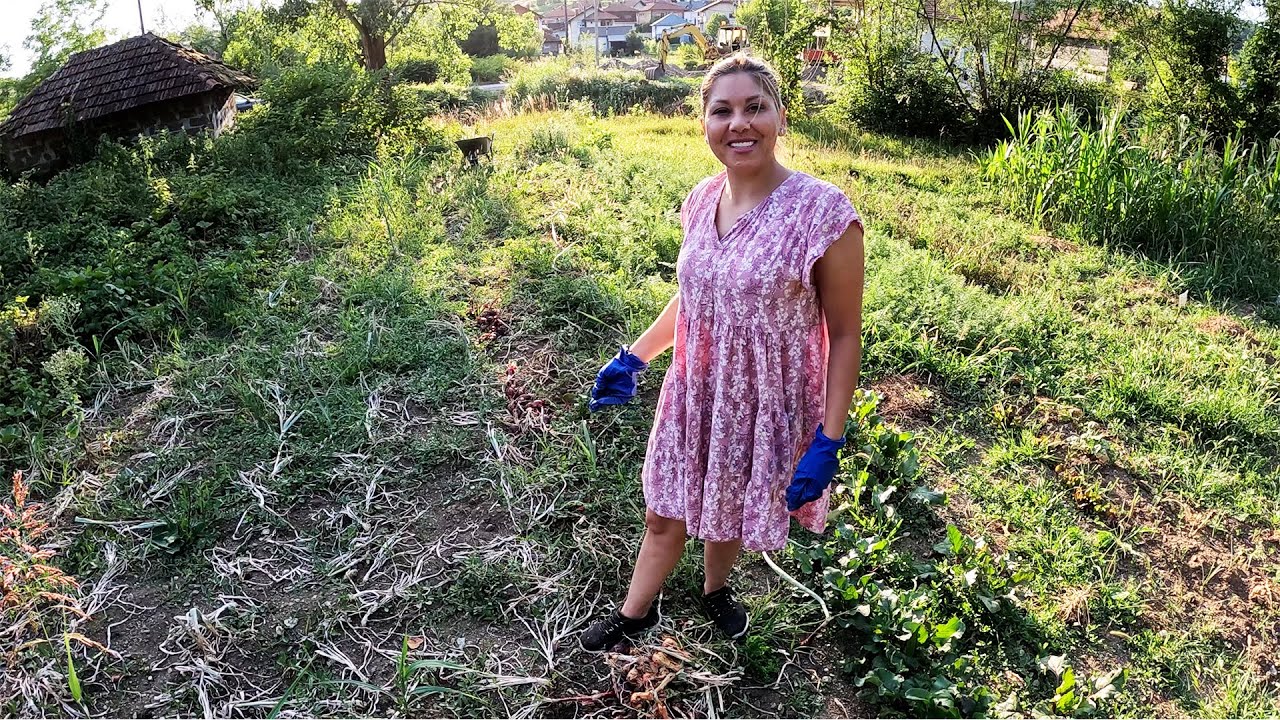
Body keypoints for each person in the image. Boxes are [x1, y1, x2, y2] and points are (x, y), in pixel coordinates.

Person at [581, 53, 865, 652]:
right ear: (705, 125)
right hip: (697, 386)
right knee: (665, 513)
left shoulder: (824, 214)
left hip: (764, 398)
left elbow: (843, 333)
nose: (740, 123)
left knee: (727, 506)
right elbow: (695, 300)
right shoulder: (701, 199)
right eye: (723, 111)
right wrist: (635, 356)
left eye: (754, 107)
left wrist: (830, 438)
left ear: (781, 118)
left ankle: (715, 591)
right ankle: (637, 614)